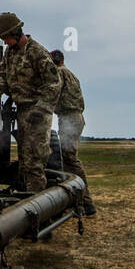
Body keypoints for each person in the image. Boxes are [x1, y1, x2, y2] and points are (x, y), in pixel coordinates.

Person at [0, 12, 60, 193]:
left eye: (6, 38)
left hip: (37, 113)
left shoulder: (37, 53)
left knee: (35, 163)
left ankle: (37, 205)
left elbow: (54, 84)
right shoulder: (10, 53)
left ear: (17, 33)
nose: (4, 42)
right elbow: (2, 77)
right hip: (22, 112)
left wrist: (41, 109)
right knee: (24, 163)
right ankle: (27, 200)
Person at [51, 48, 97, 215]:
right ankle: (79, 202)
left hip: (69, 118)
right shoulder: (71, 74)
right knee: (67, 158)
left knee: (69, 158)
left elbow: (53, 93)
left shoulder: (59, 74)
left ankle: (85, 202)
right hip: (73, 118)